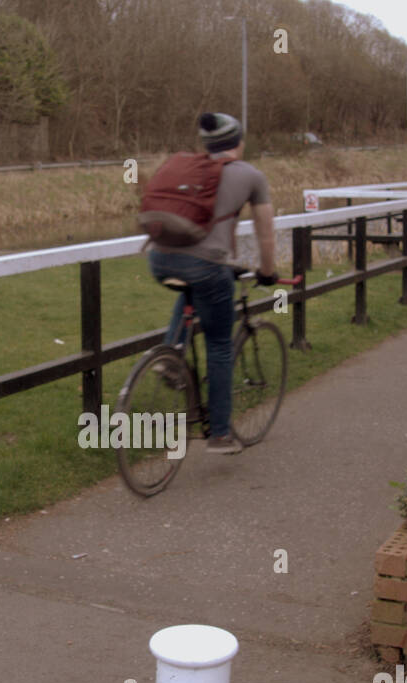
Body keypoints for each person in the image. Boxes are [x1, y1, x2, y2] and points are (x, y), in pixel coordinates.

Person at [146, 112, 279, 454]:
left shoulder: (187, 168)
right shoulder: (251, 175)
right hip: (206, 265)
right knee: (220, 345)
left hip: (159, 258)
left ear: (207, 145)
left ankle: (170, 353)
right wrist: (268, 272)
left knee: (194, 286)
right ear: (238, 142)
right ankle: (220, 434)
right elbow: (266, 234)